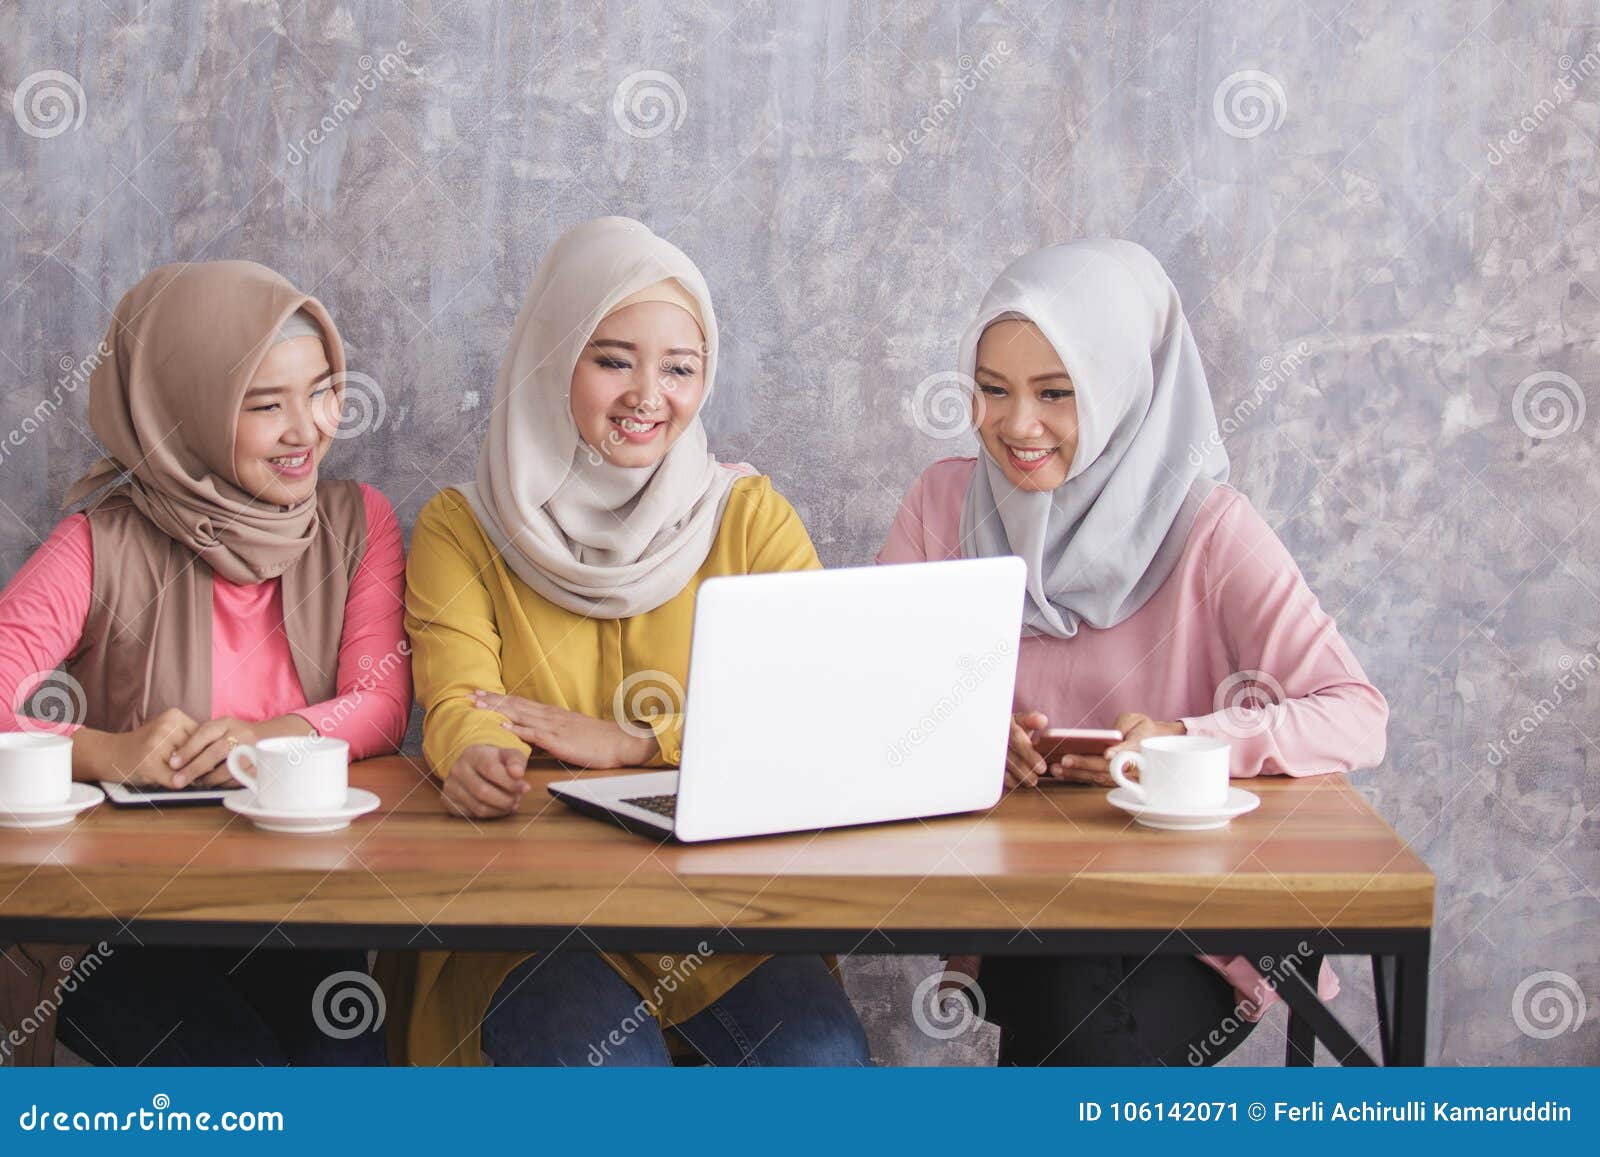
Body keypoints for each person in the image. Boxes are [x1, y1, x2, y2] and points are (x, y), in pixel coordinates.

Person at [878, 239, 1387, 1065]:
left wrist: (1186, 742)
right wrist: (959, 738)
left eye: (1056, 393)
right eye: (991, 390)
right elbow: (873, 694)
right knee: (1063, 992)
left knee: (1082, 1008)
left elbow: (1356, 715)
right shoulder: (944, 505)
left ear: (1124, 393)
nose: (1016, 425)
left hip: (1182, 923)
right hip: (1013, 903)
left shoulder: (1211, 530)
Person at [377, 217, 870, 1067]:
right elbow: (461, 696)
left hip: (717, 918)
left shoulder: (747, 517)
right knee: (607, 1078)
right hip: (531, 912)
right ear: (551, 356)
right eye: (613, 359)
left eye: (680, 368)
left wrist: (638, 743)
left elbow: (819, 710)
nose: (649, 394)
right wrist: (474, 757)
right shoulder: (464, 526)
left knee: (822, 1061)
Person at [0, 260, 409, 1065]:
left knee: (345, 1078)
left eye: (323, 390)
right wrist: (109, 750)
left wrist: (264, 735)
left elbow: (381, 700)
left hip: (308, 910)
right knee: (243, 1076)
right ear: (185, 410)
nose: (309, 429)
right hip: (129, 923)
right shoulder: (99, 541)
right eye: (264, 405)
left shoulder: (358, 522)